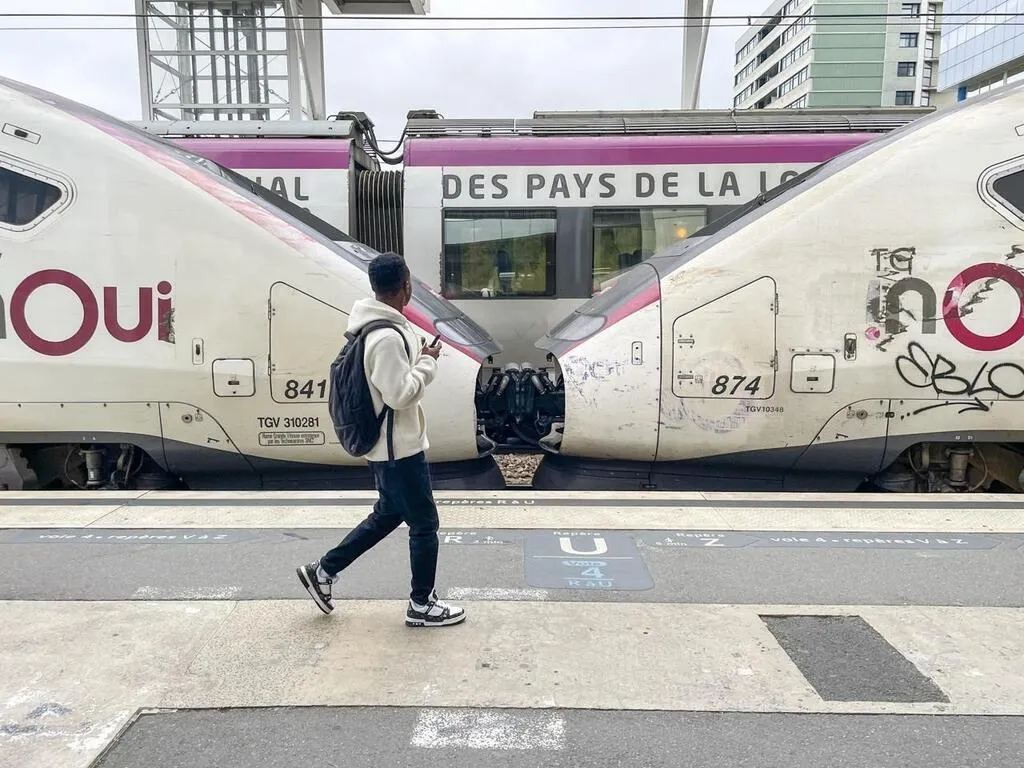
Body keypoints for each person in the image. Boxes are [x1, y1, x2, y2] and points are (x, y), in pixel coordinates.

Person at [296, 252, 466, 628]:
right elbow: (399, 395)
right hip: (398, 451)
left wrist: (418, 358)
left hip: (390, 448)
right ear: (404, 285)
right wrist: (428, 364)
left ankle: (322, 571)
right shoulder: (385, 336)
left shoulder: (377, 327)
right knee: (425, 525)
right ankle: (421, 604)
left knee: (388, 515)